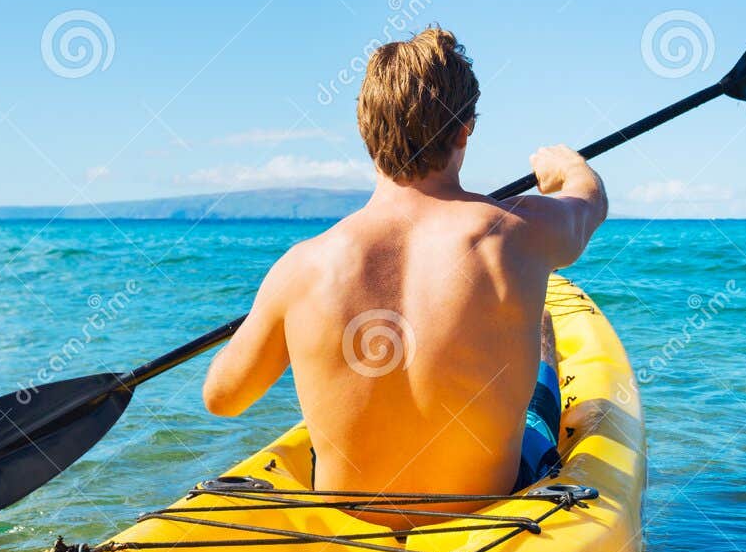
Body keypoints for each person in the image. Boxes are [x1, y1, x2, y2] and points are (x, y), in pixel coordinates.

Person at [202, 27, 607, 521]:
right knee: (542, 349)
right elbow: (589, 205)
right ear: (464, 130)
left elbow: (222, 398)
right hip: (486, 510)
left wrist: (270, 319)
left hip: (350, 523)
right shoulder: (519, 231)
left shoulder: (302, 266)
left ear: (365, 130)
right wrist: (569, 168)